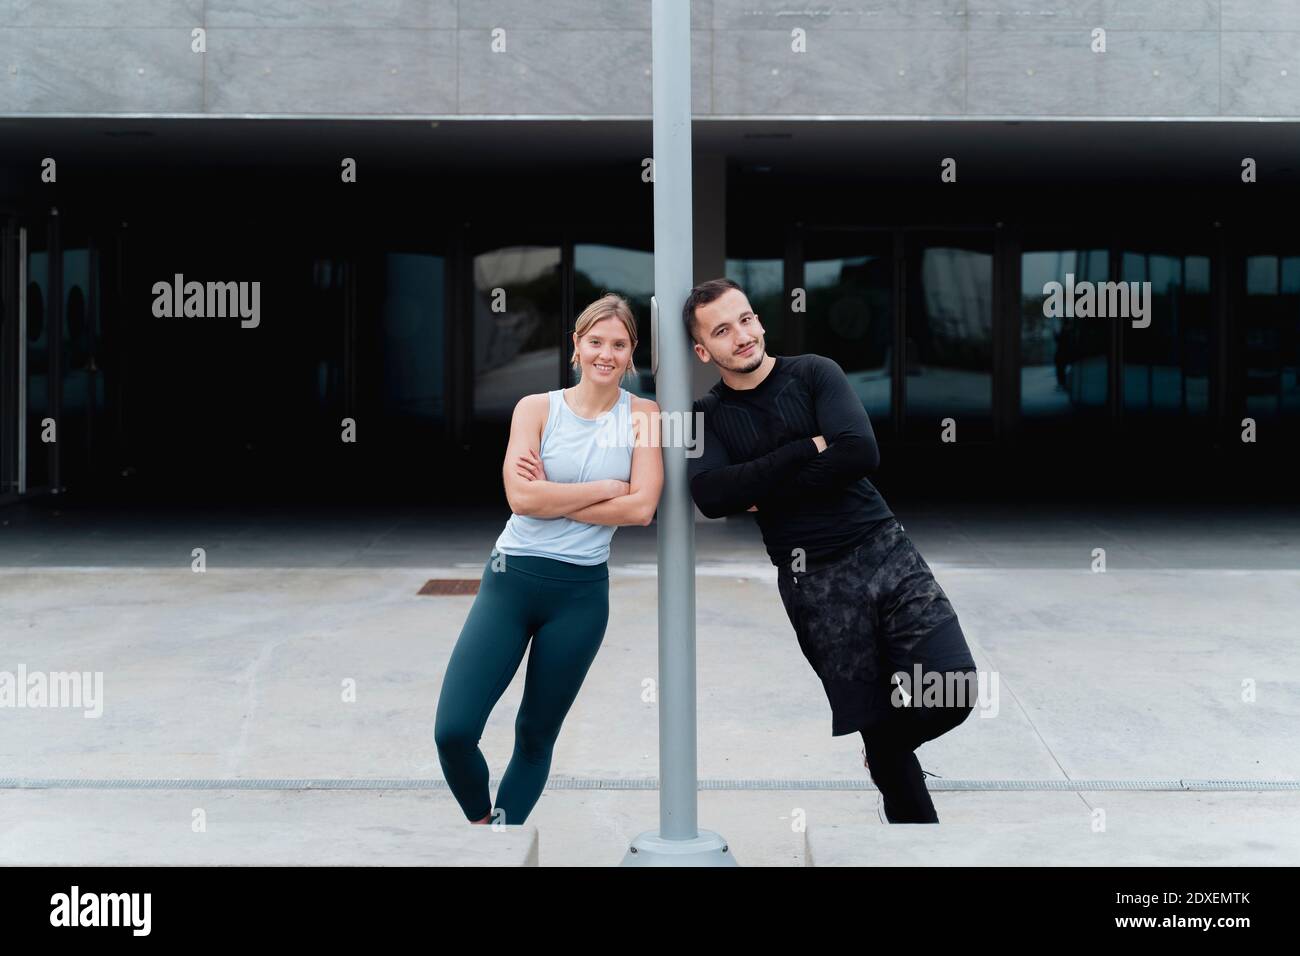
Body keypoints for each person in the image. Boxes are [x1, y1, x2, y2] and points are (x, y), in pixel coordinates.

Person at [683, 277, 977, 824]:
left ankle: (884, 750)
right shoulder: (707, 415)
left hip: (883, 549)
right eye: (722, 331)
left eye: (745, 319)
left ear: (760, 321)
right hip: (813, 583)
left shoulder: (815, 372)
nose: (741, 336)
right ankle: (914, 840)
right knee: (878, 722)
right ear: (704, 351)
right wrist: (802, 449)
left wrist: (762, 491)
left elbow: (859, 453)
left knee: (952, 689)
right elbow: (712, 494)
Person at [435, 293, 663, 825]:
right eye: (596, 341)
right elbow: (522, 501)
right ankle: (479, 819)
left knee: (534, 736)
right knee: (454, 731)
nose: (606, 353)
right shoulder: (536, 409)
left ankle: (501, 842)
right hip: (509, 580)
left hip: (580, 598)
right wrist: (609, 488)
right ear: (576, 348)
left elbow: (643, 508)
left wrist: (556, 498)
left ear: (632, 355)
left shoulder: (646, 416)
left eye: (619, 344)